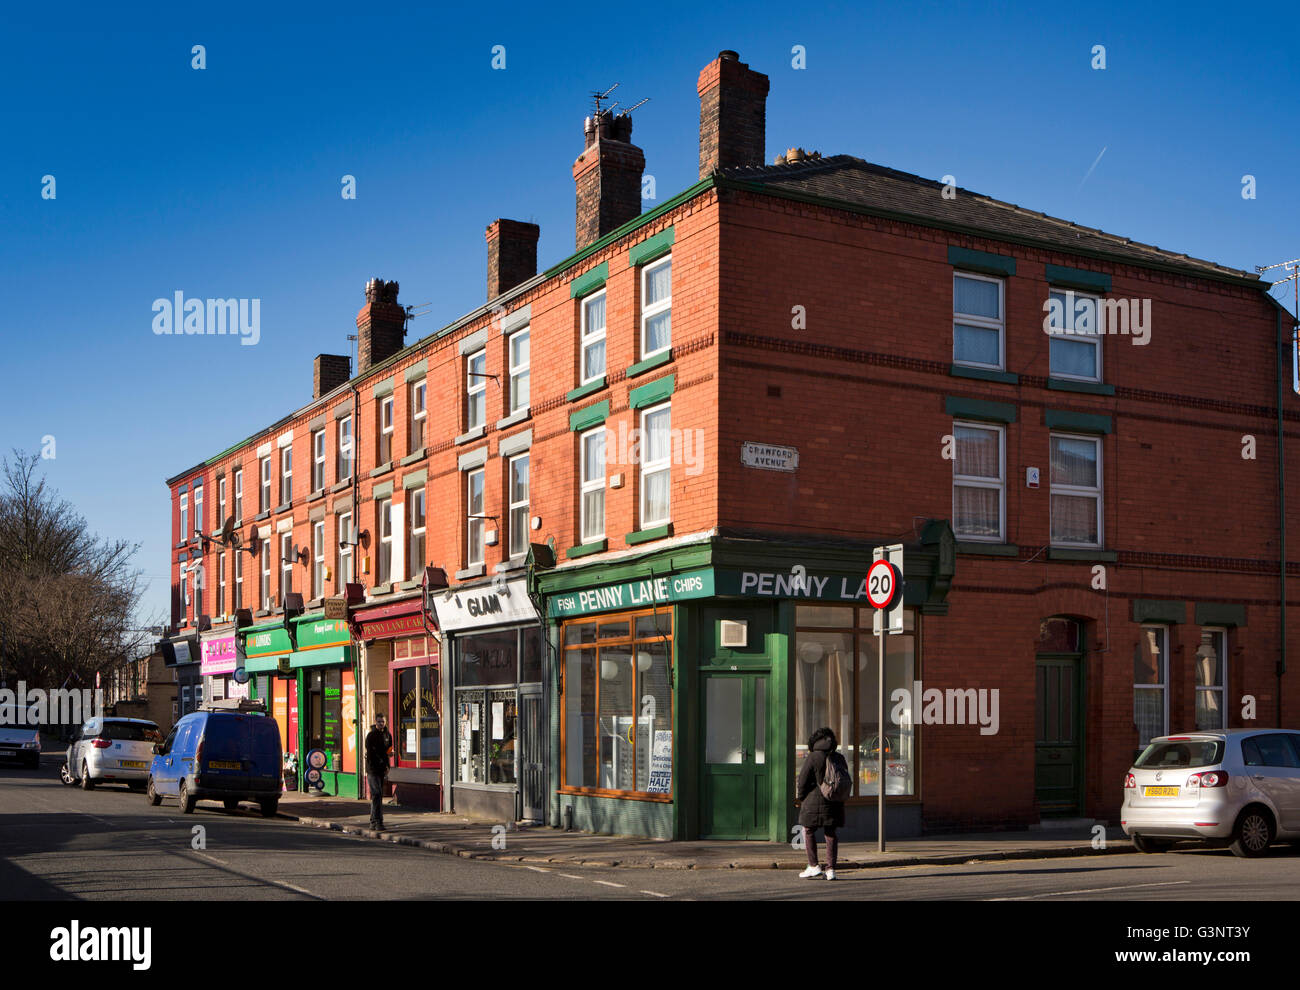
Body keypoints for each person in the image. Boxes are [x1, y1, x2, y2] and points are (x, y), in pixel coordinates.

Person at [795, 726, 845, 880]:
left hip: (813, 800)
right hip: (834, 801)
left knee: (808, 830)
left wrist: (801, 797)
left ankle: (813, 866)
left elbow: (802, 780)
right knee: (830, 834)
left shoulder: (813, 757)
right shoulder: (838, 757)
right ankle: (831, 870)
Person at [364, 713, 392, 830]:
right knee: (377, 794)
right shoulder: (371, 735)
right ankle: (377, 822)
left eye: (383, 722)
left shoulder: (387, 735)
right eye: (379, 722)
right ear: (375, 722)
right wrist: (379, 761)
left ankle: (373, 822)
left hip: (382, 769)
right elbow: (371, 752)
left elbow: (388, 750)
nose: (381, 724)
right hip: (372, 769)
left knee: (377, 796)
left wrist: (387, 765)